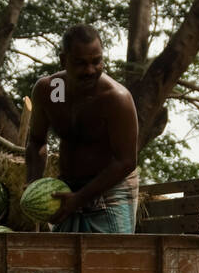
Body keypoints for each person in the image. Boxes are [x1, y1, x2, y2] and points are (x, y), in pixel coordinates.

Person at [25, 25, 139, 232]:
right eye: (81, 63)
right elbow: (36, 141)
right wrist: (32, 183)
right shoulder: (51, 91)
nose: (90, 70)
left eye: (96, 61)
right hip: (67, 189)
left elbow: (126, 161)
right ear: (63, 60)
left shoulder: (115, 99)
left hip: (110, 193)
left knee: (112, 261)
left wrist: (79, 199)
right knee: (62, 262)